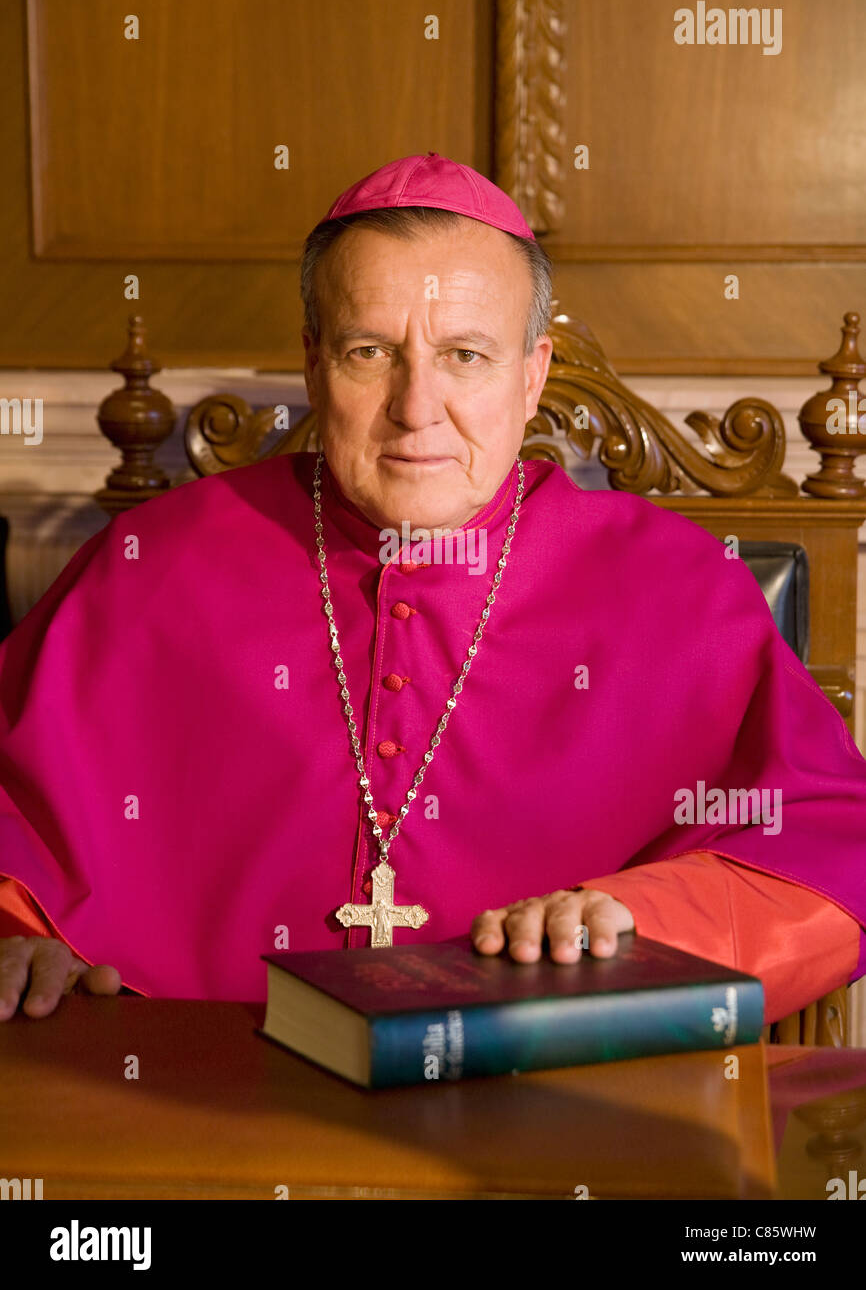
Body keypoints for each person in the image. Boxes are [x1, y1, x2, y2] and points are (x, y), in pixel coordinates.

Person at [0, 153, 863, 1027]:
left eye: (466, 356)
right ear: (313, 365)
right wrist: (21, 931)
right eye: (370, 352)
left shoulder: (679, 592)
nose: (417, 407)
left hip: (550, 1120)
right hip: (205, 1106)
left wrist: (642, 922)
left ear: (532, 375)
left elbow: (830, 856)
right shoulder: (155, 564)